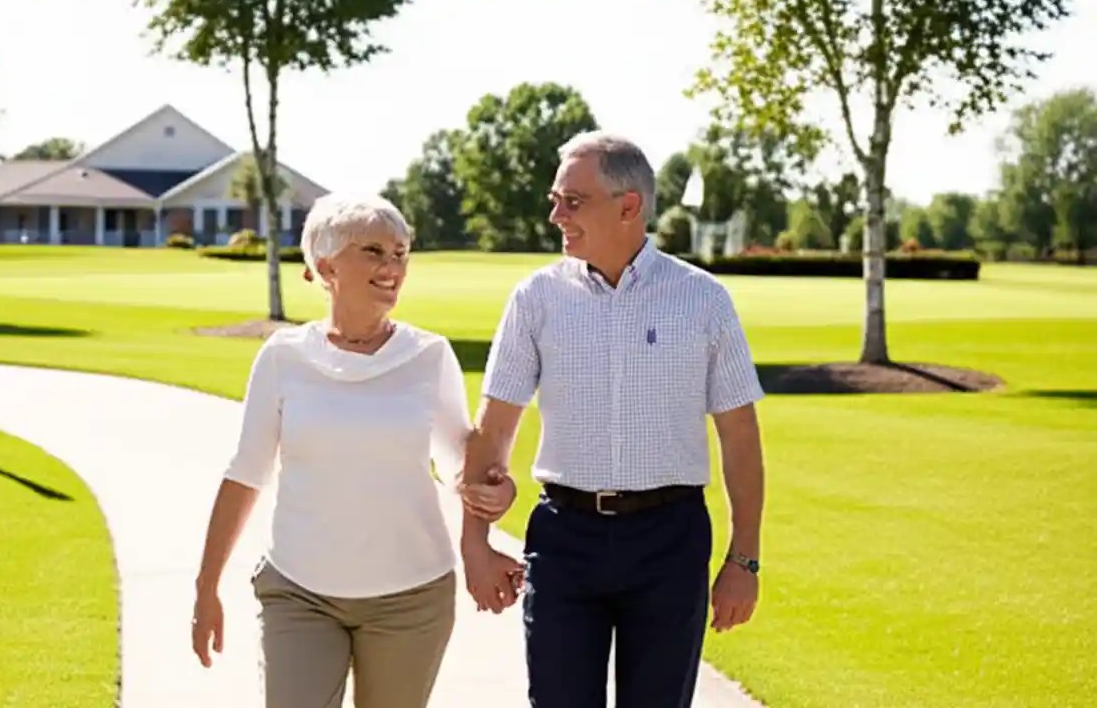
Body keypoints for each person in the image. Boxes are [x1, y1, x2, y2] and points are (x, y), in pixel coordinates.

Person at [459, 131, 768, 707]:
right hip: (563, 541)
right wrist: (474, 541)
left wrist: (743, 559)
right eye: (555, 199)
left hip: (670, 543)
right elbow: (493, 428)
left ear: (629, 207)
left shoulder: (703, 301)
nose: (555, 215)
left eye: (572, 201)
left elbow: (740, 439)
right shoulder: (535, 299)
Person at [189, 193, 518, 708]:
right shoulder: (282, 357)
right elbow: (245, 473)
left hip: (411, 598)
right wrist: (206, 587)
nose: (392, 267)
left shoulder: (429, 357)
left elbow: (461, 463)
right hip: (299, 592)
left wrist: (496, 492)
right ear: (326, 267)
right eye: (374, 251)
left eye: (401, 253)